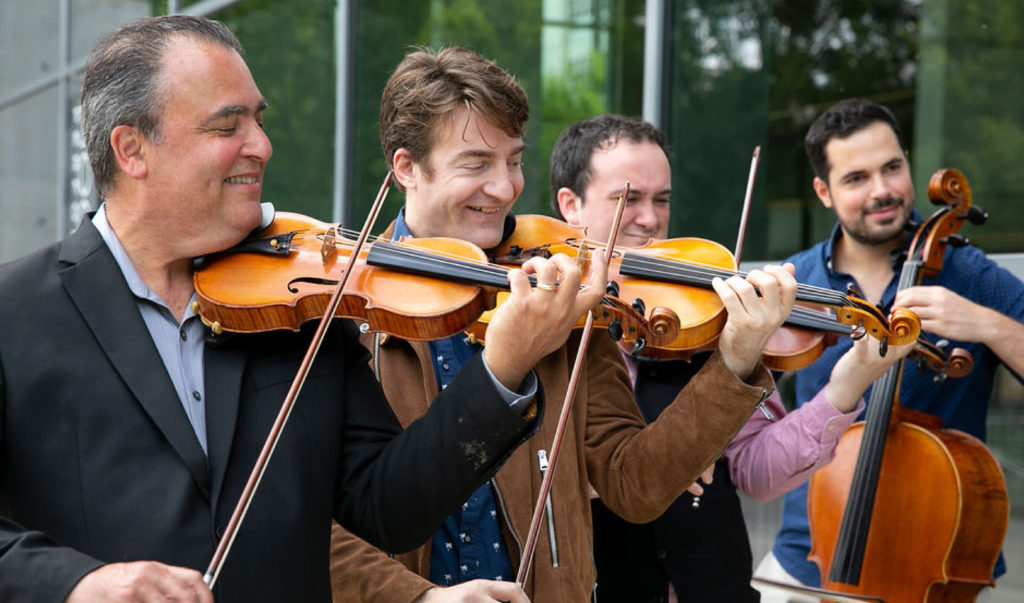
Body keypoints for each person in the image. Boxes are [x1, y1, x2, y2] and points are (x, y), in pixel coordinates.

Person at [0, 16, 614, 603]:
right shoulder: (14, 315)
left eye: (258, 121)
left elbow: (388, 508)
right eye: (226, 127)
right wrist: (73, 586)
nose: (262, 146)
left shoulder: (299, 313)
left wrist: (501, 369)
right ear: (133, 150)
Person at [326, 44, 799, 603]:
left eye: (513, 160)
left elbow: (634, 483)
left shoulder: (563, 297)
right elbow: (303, 521)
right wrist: (418, 598)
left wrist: (735, 360)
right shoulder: (342, 309)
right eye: (476, 163)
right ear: (407, 167)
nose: (504, 188)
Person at [550, 113, 914, 602]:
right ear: (570, 205)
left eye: (662, 200)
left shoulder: (698, 319)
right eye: (628, 199)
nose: (651, 219)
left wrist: (848, 384)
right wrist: (621, 473)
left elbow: (757, 473)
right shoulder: (544, 331)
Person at [754, 98, 1024, 601]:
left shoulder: (969, 275)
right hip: (805, 562)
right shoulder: (799, 282)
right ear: (824, 191)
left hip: (935, 564)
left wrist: (986, 324)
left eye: (892, 168)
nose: (881, 191)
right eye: (856, 178)